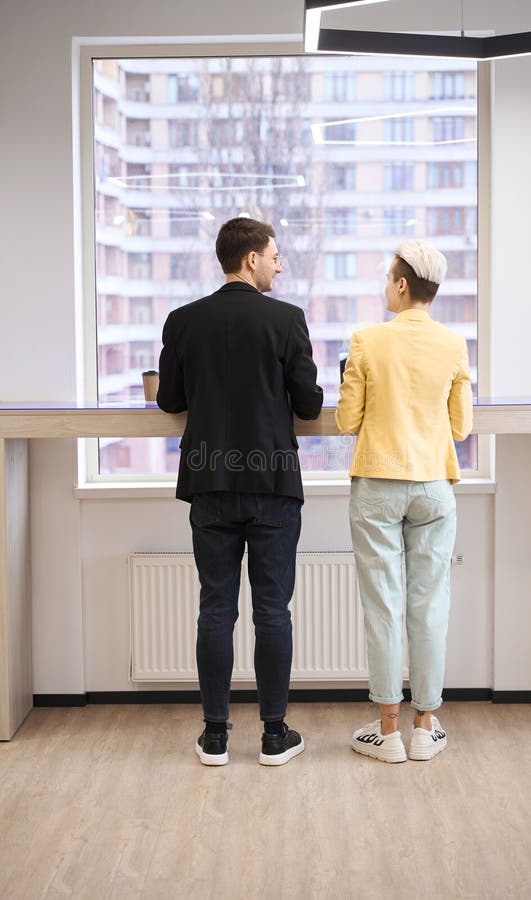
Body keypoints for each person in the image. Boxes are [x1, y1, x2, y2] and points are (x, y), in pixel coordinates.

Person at [157, 217, 323, 766]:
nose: (280, 265)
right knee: (272, 610)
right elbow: (309, 406)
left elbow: (169, 400)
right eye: (275, 256)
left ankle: (215, 737)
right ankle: (274, 736)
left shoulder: (183, 321)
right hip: (272, 483)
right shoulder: (286, 320)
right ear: (251, 259)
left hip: (209, 482)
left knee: (215, 609)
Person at [336, 240, 473, 763]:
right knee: (430, 604)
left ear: (400, 284)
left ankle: (388, 732)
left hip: (377, 483)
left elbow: (346, 421)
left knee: (383, 606)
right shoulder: (454, 345)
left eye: (387, 278)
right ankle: (424, 727)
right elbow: (461, 426)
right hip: (433, 485)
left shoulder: (367, 340)